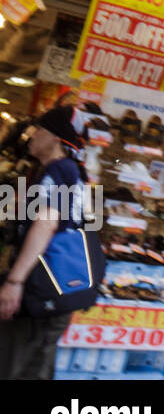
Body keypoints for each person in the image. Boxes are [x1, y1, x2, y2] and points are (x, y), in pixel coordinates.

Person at [0, 104, 92, 379]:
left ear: (54, 137)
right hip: (57, 289)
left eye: (38, 129)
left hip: (39, 287)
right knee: (36, 367)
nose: (32, 135)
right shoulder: (72, 171)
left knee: (13, 365)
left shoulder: (58, 171)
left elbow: (47, 223)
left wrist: (14, 282)